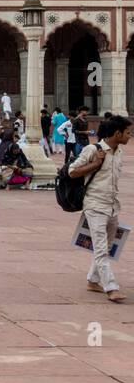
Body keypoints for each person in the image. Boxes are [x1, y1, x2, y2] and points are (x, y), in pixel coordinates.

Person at [69, 114, 131, 303]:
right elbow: (72, 171)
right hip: (95, 205)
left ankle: (93, 280)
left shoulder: (119, 152)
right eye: (127, 132)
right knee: (101, 248)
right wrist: (96, 163)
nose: (130, 136)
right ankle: (111, 287)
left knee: (108, 246)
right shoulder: (92, 149)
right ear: (117, 133)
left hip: (112, 206)